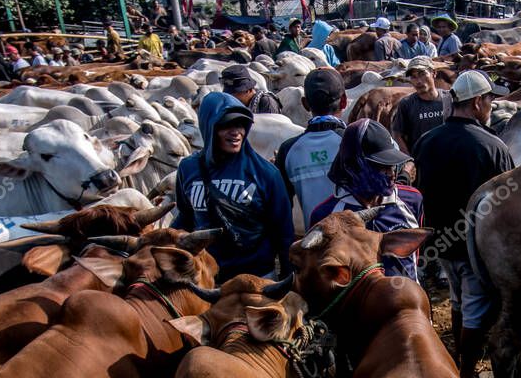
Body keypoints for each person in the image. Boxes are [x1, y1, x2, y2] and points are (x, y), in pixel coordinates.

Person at [414, 70, 513, 378]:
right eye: (490, 100)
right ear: (478, 102)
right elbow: (507, 204)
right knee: (473, 311)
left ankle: (458, 362)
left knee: (458, 301)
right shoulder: (493, 147)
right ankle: (466, 377)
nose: (492, 107)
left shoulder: (426, 141)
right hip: (475, 247)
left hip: (440, 242)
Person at [172, 92, 293, 280]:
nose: (236, 132)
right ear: (209, 127)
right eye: (226, 125)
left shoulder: (266, 173)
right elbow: (186, 217)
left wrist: (287, 275)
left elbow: (283, 231)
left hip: (257, 278)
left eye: (240, 125)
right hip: (206, 277)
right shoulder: (188, 168)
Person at [309, 118, 424, 281]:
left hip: (407, 303)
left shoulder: (411, 200)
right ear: (354, 165)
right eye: (381, 166)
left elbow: (414, 259)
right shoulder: (326, 215)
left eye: (392, 165)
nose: (391, 174)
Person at [276, 68, 348, 230]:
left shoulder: (288, 150)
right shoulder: (356, 140)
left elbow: (281, 208)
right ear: (343, 101)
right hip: (356, 247)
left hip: (314, 246)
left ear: (305, 104)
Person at [391, 56, 453, 156]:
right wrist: (409, 160)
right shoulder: (406, 104)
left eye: (422, 74)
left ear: (434, 73)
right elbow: (397, 134)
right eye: (413, 77)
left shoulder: (450, 99)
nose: (418, 81)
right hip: (422, 164)